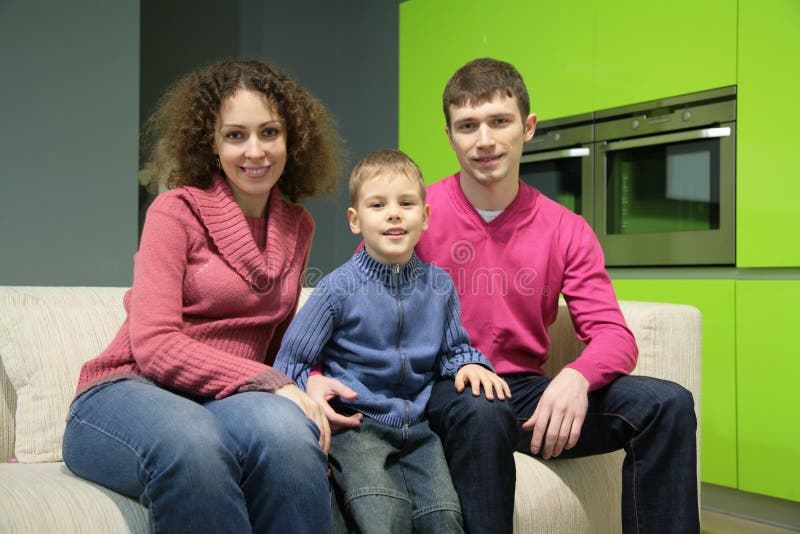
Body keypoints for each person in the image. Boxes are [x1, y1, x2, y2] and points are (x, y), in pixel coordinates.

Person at [309, 59, 700, 534]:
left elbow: (614, 335)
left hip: (524, 390)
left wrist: (575, 377)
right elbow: (349, 303)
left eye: (500, 121)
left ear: (527, 127)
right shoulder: (414, 213)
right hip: (437, 388)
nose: (485, 140)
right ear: (450, 135)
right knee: (483, 409)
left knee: (669, 404)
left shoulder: (566, 228)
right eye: (468, 126)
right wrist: (312, 375)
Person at [62, 59, 343, 533]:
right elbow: (154, 346)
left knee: (291, 436)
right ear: (210, 144)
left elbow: (276, 346)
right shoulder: (175, 211)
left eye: (269, 132)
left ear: (292, 139)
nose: (255, 150)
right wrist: (275, 383)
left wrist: (304, 379)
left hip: (221, 401)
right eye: (235, 135)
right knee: (194, 443)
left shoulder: (298, 227)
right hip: (126, 393)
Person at [274, 149, 510, 533]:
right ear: (355, 220)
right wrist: (311, 392)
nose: (394, 213)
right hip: (358, 425)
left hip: (419, 430)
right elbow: (289, 364)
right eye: (378, 204)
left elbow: (453, 351)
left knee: (445, 519)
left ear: (425, 216)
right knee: (383, 516)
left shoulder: (439, 286)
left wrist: (470, 363)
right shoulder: (337, 289)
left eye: (406, 203)